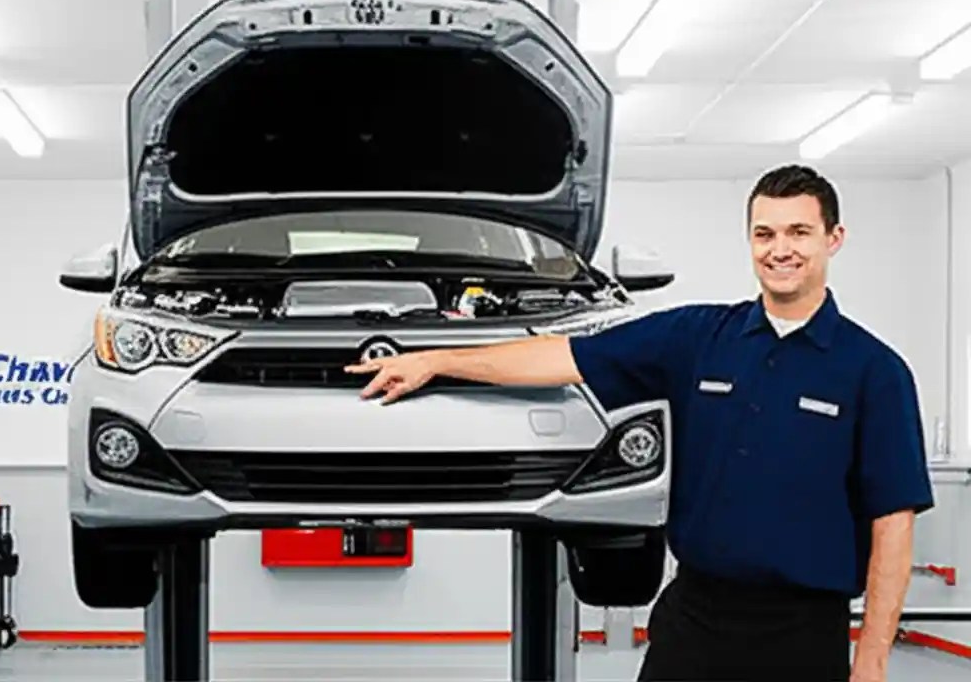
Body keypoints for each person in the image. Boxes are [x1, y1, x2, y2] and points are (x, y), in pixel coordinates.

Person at [345, 164, 934, 682]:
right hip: (696, 618)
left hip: (804, 633)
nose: (780, 249)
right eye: (765, 233)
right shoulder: (697, 338)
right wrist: (438, 361)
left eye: (798, 232)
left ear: (834, 239)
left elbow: (893, 528)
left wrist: (872, 662)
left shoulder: (874, 371)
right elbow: (560, 354)